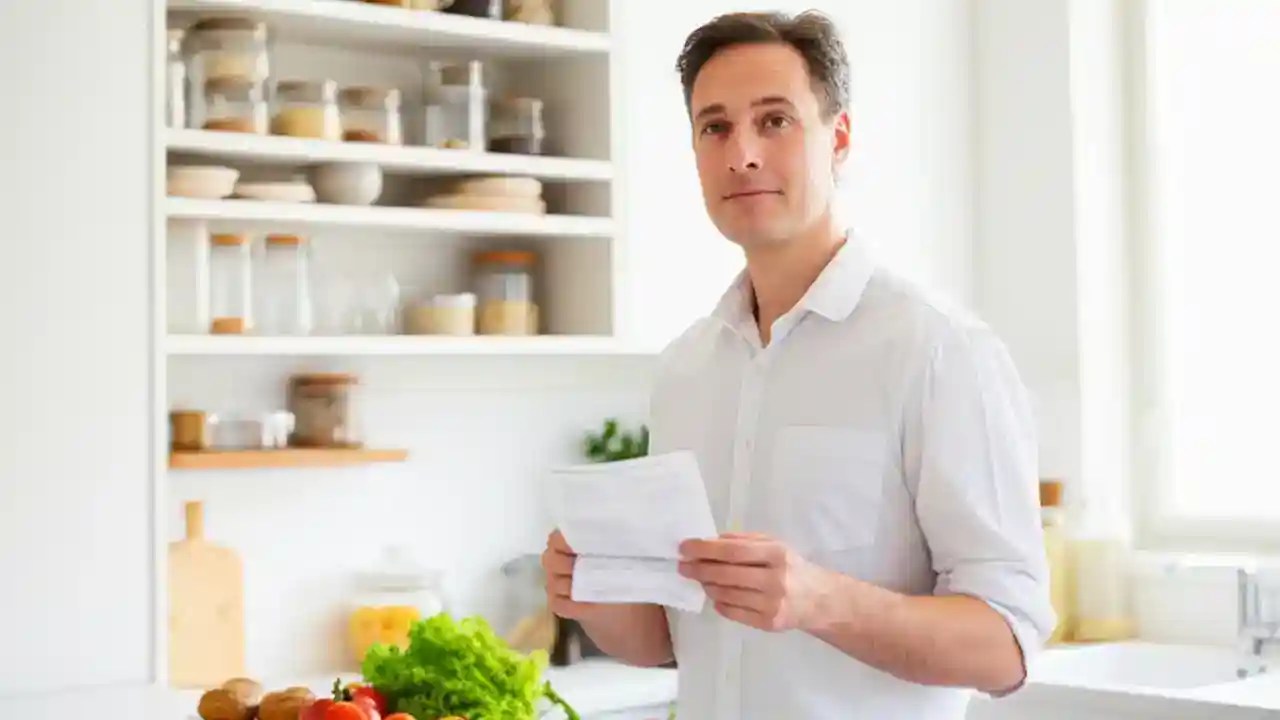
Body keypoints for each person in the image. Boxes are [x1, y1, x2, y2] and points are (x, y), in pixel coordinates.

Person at [542, 10, 1054, 719]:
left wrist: (820, 599)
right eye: (714, 127)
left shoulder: (939, 352)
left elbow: (1008, 645)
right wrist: (592, 592)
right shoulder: (686, 368)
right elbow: (670, 640)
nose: (741, 153)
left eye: (774, 120)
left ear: (837, 138)